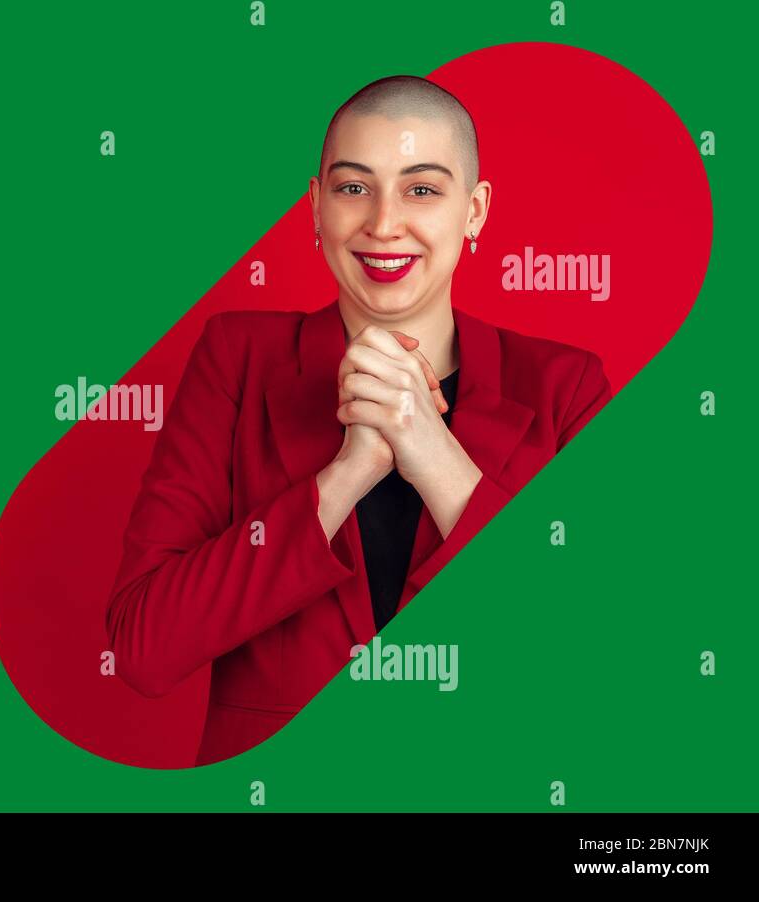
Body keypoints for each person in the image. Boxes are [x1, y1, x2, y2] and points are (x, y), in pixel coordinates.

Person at [104, 75, 612, 767]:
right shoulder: (237, 356)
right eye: (353, 188)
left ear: (475, 210)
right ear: (315, 209)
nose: (382, 224)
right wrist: (343, 476)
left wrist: (435, 458)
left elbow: (598, 654)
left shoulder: (566, 385)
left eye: (422, 189)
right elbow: (142, 650)